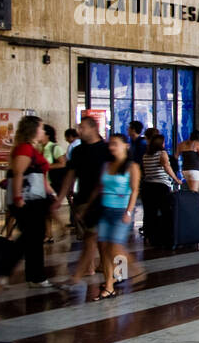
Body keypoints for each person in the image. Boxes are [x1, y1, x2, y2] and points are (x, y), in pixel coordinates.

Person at [52, 115, 111, 288]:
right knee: (93, 239)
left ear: (94, 128)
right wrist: (61, 197)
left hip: (102, 200)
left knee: (93, 239)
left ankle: (81, 277)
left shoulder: (105, 149)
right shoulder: (78, 151)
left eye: (83, 127)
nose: (80, 131)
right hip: (83, 199)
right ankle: (102, 275)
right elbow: (70, 175)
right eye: (79, 127)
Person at [89, 133, 140, 299]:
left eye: (115, 144)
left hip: (121, 211)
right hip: (105, 209)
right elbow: (99, 186)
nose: (111, 147)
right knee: (104, 248)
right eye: (110, 144)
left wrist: (129, 211)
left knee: (114, 246)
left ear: (125, 145)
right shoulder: (107, 165)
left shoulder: (132, 166)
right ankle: (110, 285)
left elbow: (134, 190)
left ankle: (134, 271)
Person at [8, 115, 57, 288]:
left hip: (36, 198)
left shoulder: (30, 149)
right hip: (29, 200)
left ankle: (34, 276)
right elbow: (18, 174)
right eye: (41, 128)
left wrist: (51, 192)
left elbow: (40, 175)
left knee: (33, 238)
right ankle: (8, 268)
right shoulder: (25, 149)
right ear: (33, 129)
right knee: (31, 237)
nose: (43, 131)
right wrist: (18, 198)